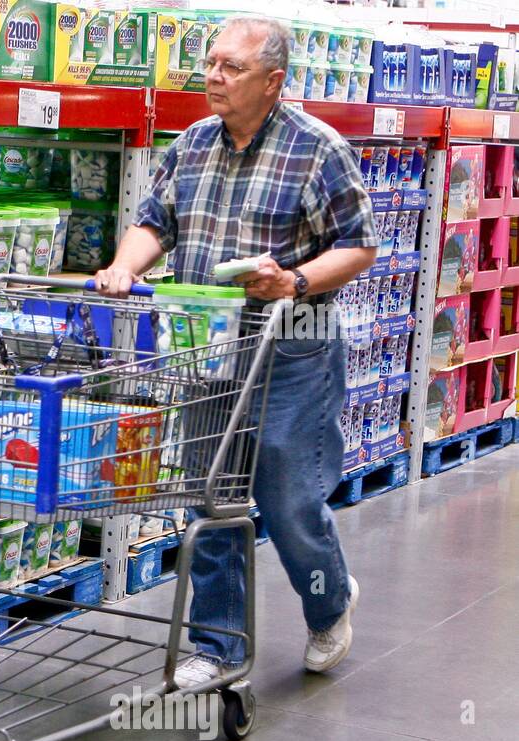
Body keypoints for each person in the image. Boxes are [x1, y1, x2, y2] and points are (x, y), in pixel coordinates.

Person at [94, 15, 378, 686]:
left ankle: (328, 598)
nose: (213, 77)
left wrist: (296, 280)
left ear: (274, 81)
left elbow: (360, 243)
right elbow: (153, 221)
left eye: (232, 67)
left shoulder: (317, 148)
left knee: (288, 496)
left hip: (294, 348)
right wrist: (124, 268)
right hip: (210, 349)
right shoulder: (191, 143)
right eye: (211, 63)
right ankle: (217, 646)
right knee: (212, 496)